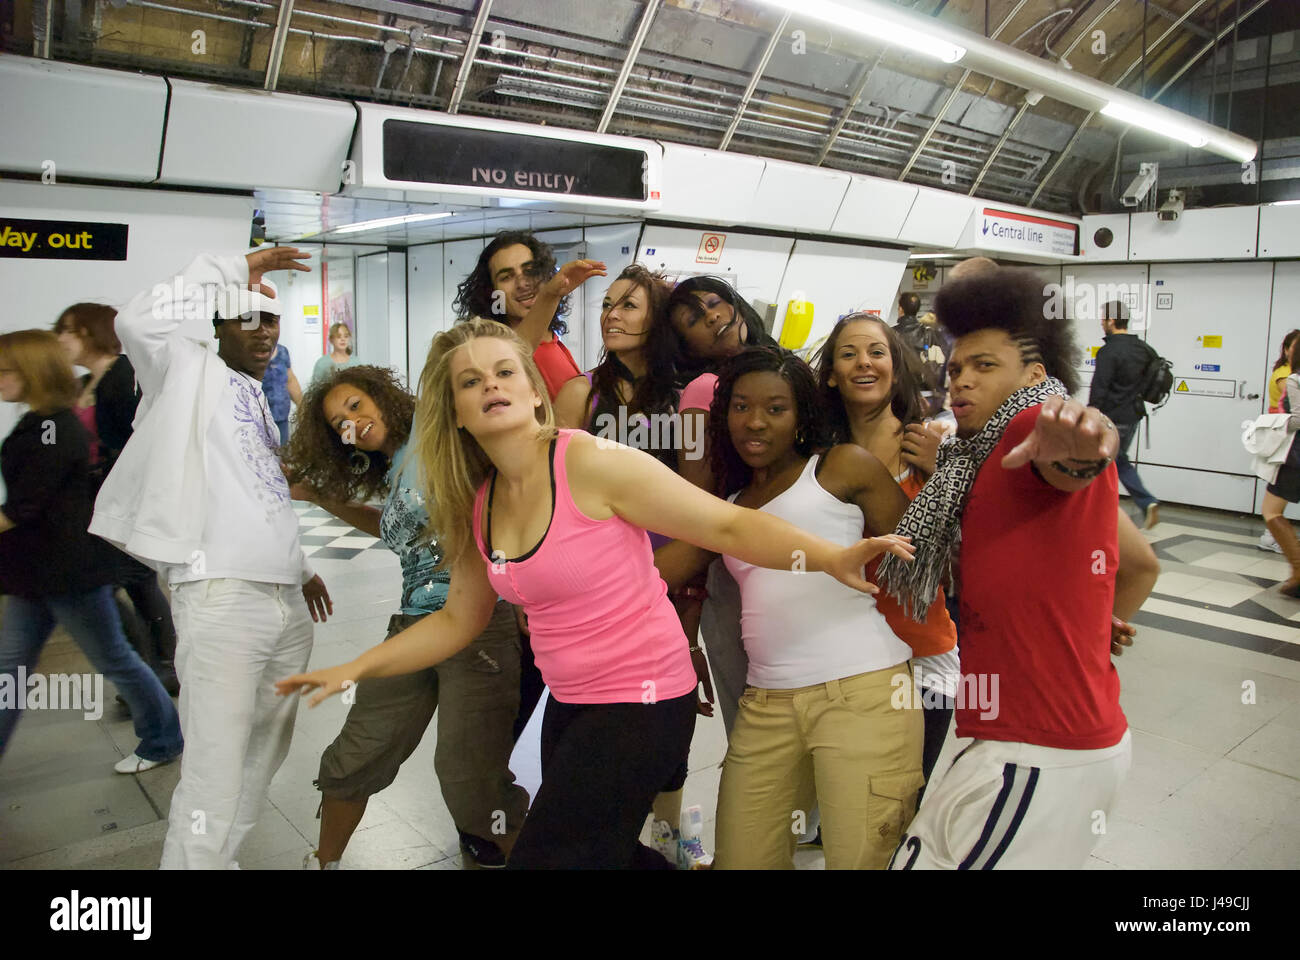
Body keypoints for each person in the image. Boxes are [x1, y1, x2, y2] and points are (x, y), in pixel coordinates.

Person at [275, 318, 915, 869]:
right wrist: (359, 666)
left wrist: (830, 556)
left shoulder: (589, 462)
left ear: (533, 390)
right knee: (599, 850)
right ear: (459, 414)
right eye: (470, 382)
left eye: (504, 372)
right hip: (573, 702)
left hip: (643, 699)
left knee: (549, 857)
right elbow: (457, 619)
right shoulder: (479, 503)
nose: (490, 385)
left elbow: (725, 523)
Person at [879, 269, 1150, 870]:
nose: (963, 381)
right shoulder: (973, 459)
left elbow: (1072, 451)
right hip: (1009, 737)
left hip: (1041, 749)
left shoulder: (1028, 431)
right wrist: (1089, 621)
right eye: (955, 369)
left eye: (985, 366)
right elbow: (1141, 564)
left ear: (1034, 375)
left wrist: (1082, 444)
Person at [90, 246, 333, 869]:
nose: (262, 331)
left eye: (271, 320)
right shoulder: (184, 372)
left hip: (282, 601)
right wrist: (233, 266)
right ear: (216, 327)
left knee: (261, 759)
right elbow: (137, 321)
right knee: (213, 770)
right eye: (245, 319)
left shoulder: (255, 399)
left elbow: (258, 494)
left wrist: (300, 568)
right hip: (222, 598)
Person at [657, 345, 923, 869]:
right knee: (741, 858)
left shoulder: (841, 466)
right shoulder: (728, 507)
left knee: (861, 858)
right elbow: (662, 573)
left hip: (864, 689)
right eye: (740, 407)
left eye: (776, 409)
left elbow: (928, 556)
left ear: (801, 415)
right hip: (767, 703)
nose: (754, 422)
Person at [283, 364, 528, 869]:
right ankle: (323, 862)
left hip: (479, 622)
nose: (350, 422)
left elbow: (485, 368)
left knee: (470, 773)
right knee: (358, 752)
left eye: (355, 405)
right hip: (414, 625)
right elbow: (394, 531)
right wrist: (323, 497)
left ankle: (520, 852)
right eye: (337, 423)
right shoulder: (393, 468)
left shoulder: (435, 434)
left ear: (381, 397)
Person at [553, 265, 713, 867]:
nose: (611, 314)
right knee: (595, 708)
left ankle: (670, 834)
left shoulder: (689, 394)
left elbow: (700, 499)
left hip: (672, 571)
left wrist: (676, 580)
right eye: (608, 305)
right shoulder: (579, 393)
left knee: (671, 709)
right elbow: (554, 494)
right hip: (594, 582)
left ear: (659, 320)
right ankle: (604, 834)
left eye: (630, 306)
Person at [0, 330, 183, 771]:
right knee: (10, 669)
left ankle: (162, 740)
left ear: (32, 372)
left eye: (5, 370)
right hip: (36, 572)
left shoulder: (53, 428)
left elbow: (26, 505)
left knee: (115, 659)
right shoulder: (42, 421)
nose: (0, 379)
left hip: (68, 572)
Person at [813, 313, 959, 789]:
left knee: (900, 802)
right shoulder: (814, 457)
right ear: (831, 373)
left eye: (877, 352)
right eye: (849, 353)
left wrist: (943, 473)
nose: (864, 364)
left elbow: (970, 546)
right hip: (835, 655)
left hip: (921, 654)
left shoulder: (936, 446)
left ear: (895, 367)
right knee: (843, 800)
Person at [656, 276, 779, 740]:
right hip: (735, 573)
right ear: (689, 345)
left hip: (804, 564)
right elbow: (697, 504)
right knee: (755, 723)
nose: (711, 315)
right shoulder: (701, 392)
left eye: (713, 303)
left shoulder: (786, 367)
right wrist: (688, 612)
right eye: (694, 319)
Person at [54, 303, 180, 695]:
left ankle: (153, 672)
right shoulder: (81, 385)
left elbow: (138, 444)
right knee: (133, 586)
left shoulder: (125, 377)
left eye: (68, 331)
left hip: (125, 499)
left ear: (91, 333)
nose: (61, 340)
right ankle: (157, 669)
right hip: (95, 500)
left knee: (126, 584)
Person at [452, 229, 605, 401]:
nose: (522, 283)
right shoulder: (492, 351)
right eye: (507, 277)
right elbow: (517, 351)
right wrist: (551, 294)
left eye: (530, 270)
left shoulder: (551, 341)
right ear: (491, 292)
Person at [1089, 300, 1159, 530]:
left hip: (1110, 418)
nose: (1101, 323)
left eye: (1102, 319)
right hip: (1133, 415)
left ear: (1111, 320)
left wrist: (1091, 415)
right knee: (1117, 460)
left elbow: (1100, 388)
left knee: (1101, 461)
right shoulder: (1143, 348)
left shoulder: (1109, 351)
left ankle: (1099, 510)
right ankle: (1143, 502)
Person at [1260, 335, 1300, 598]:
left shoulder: (1295, 380)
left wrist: (1274, 423)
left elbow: (1298, 419)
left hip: (1296, 457)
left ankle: (1299, 571)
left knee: (1271, 511)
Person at [894, 292, 951, 417]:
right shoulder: (930, 334)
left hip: (899, 395)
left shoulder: (891, 334)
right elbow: (943, 363)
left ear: (900, 309)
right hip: (928, 395)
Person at [262, 343, 302, 447]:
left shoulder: (282, 351)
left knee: (281, 455)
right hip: (260, 419)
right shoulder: (250, 352)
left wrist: (302, 406)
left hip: (281, 417)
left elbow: (290, 380)